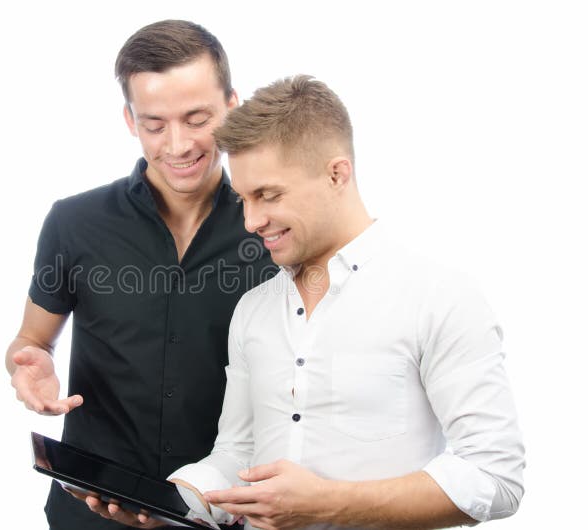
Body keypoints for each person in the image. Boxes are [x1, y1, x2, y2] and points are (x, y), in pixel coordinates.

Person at [159, 76, 525, 530]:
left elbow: (494, 477)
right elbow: (239, 453)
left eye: (268, 195)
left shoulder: (438, 296)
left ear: (337, 174)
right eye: (243, 199)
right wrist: (168, 502)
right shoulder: (253, 310)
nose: (251, 221)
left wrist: (327, 503)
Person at [5, 20, 275, 529]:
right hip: (88, 513)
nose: (178, 145)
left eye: (197, 119)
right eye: (154, 125)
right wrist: (30, 366)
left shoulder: (273, 230)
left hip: (221, 513)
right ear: (130, 120)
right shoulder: (74, 222)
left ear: (232, 107)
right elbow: (32, 341)